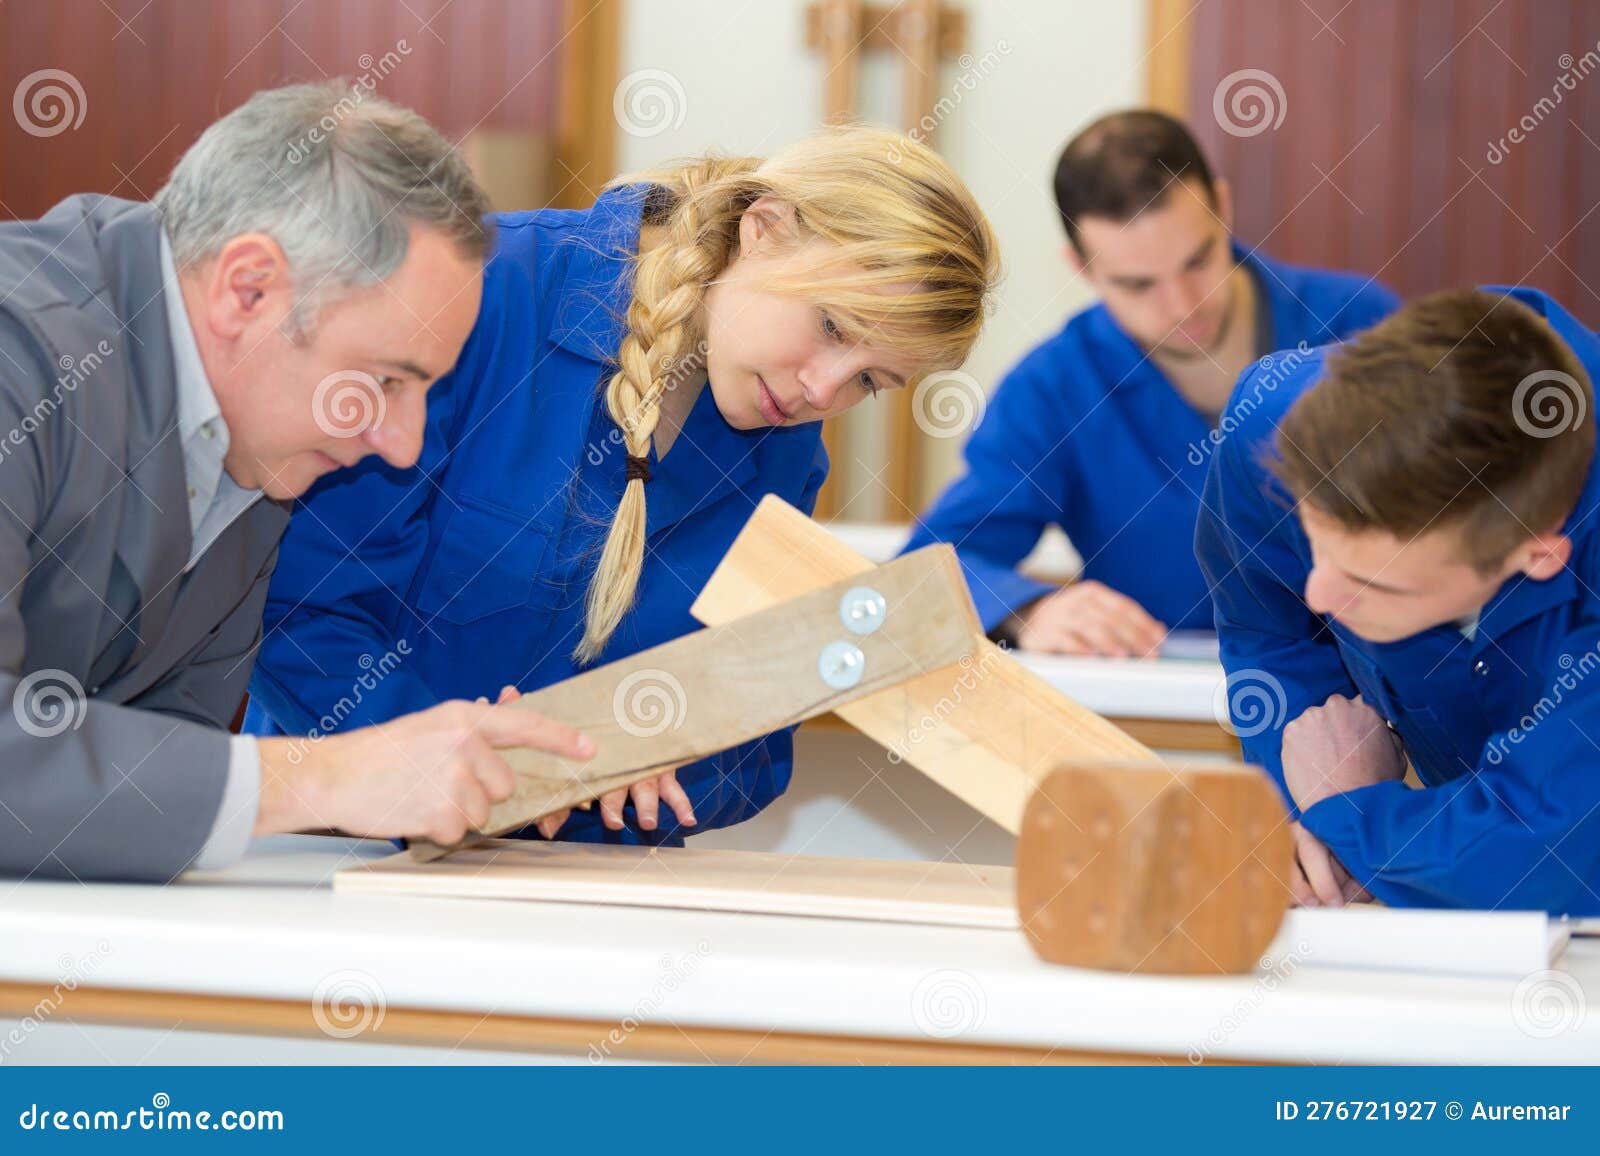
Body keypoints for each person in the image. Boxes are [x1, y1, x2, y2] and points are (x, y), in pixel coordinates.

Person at [244, 126, 1000, 844]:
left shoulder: (787, 456)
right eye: (833, 326)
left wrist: (661, 756)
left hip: (565, 885)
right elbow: (301, 612)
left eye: (870, 379)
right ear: (763, 228)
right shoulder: (489, 288)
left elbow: (759, 740)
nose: (822, 391)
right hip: (334, 849)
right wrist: (470, 772)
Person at [0, 81, 610, 883]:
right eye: (386, 380)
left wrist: (428, 771)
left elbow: (152, 762)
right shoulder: (22, 355)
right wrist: (325, 775)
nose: (402, 445)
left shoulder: (255, 447)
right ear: (247, 289)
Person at [905, 109, 1399, 657]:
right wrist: (1028, 609)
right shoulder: (1054, 387)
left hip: (1379, 698)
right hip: (1163, 707)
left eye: (1198, 261)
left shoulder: (1360, 324)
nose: (1184, 306)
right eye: (1138, 285)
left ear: (1224, 208)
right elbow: (931, 567)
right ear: (1081, 268)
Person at [1196, 287, 1600, 913]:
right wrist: (1311, 827)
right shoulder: (1270, 430)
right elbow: (1271, 629)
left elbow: (1556, 852)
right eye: (1316, 543)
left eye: (1375, 582)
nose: (1319, 592)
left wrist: (1351, 814)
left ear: (1536, 555)